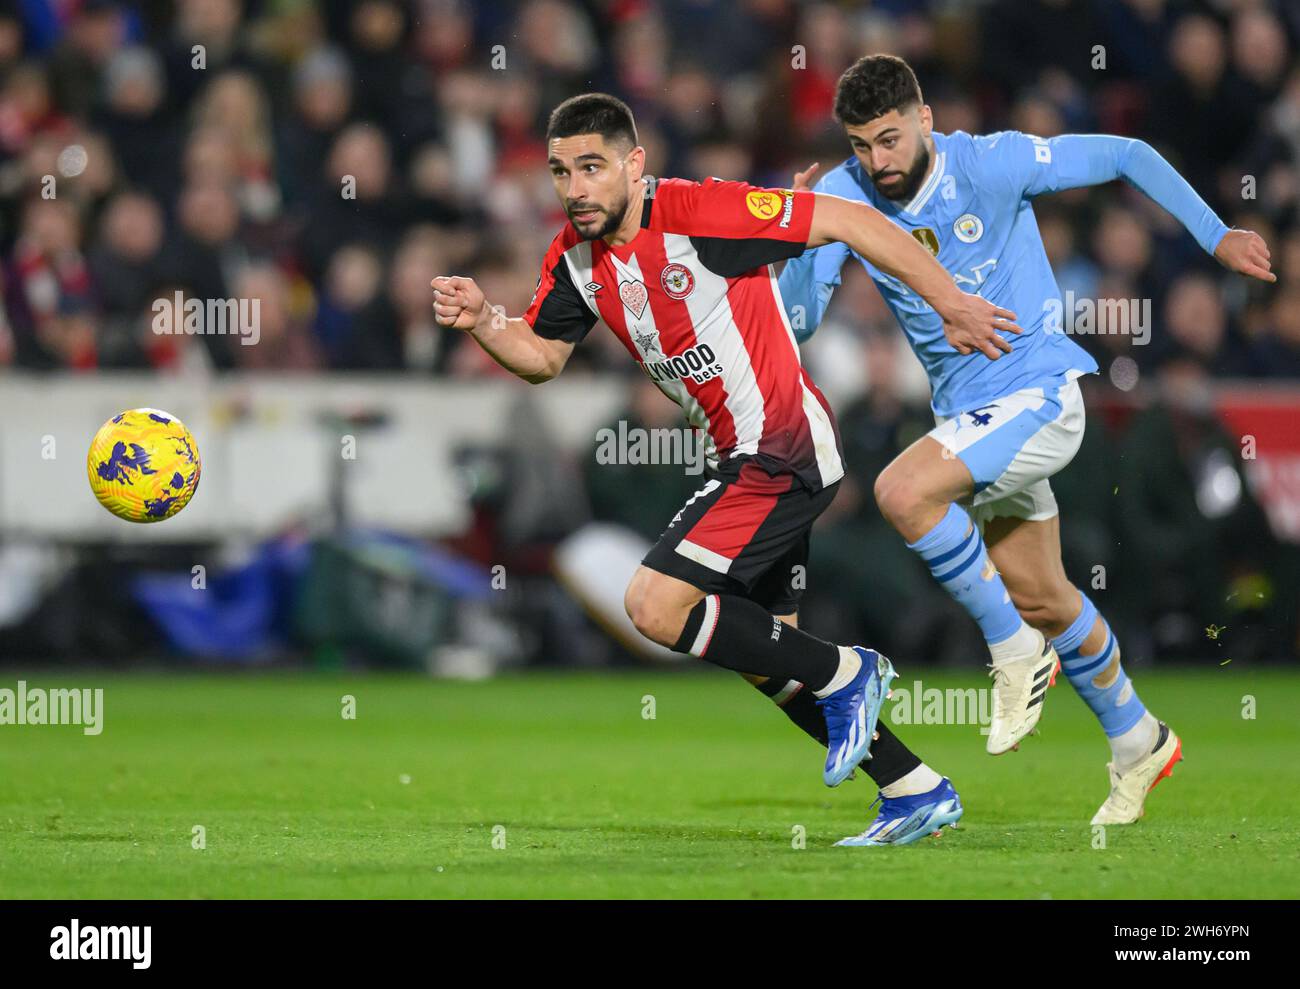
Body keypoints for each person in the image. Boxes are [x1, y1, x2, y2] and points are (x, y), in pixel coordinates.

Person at [432, 92, 1018, 845]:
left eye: (591, 166)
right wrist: (486, 319)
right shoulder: (576, 261)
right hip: (744, 457)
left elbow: (851, 221)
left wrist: (951, 303)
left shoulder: (703, 213)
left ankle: (849, 672)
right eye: (559, 171)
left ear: (634, 165)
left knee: (654, 604)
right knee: (765, 656)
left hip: (780, 447)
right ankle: (913, 787)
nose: (575, 187)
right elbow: (543, 356)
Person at [779, 55, 1276, 825]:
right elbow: (801, 320)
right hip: (971, 421)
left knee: (902, 492)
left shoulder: (993, 162)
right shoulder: (844, 193)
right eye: (861, 145)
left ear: (924, 120)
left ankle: (1011, 651)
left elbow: (1125, 154)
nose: (878, 162)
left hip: (1040, 392)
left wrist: (1215, 236)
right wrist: (802, 239)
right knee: (1045, 593)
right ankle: (1138, 739)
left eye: (889, 139)